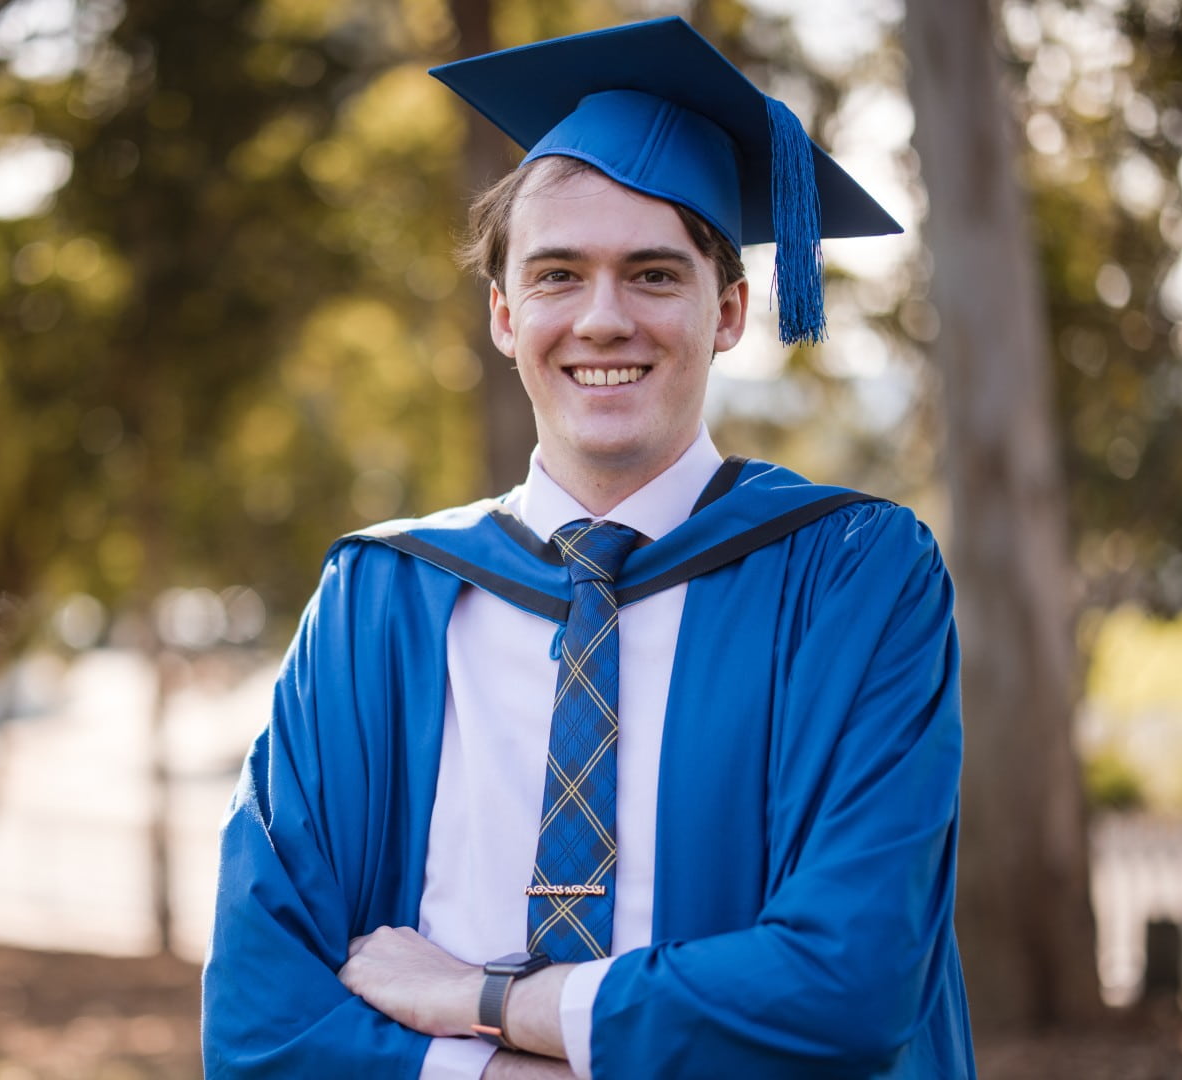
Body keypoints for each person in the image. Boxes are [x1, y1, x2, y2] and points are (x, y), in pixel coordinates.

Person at [202, 16, 975, 1079]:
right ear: (503, 315)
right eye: (557, 275)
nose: (603, 318)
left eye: (653, 275)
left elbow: (853, 979)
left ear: (729, 311)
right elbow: (257, 1014)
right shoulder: (378, 599)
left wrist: (485, 1001)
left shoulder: (852, 578)